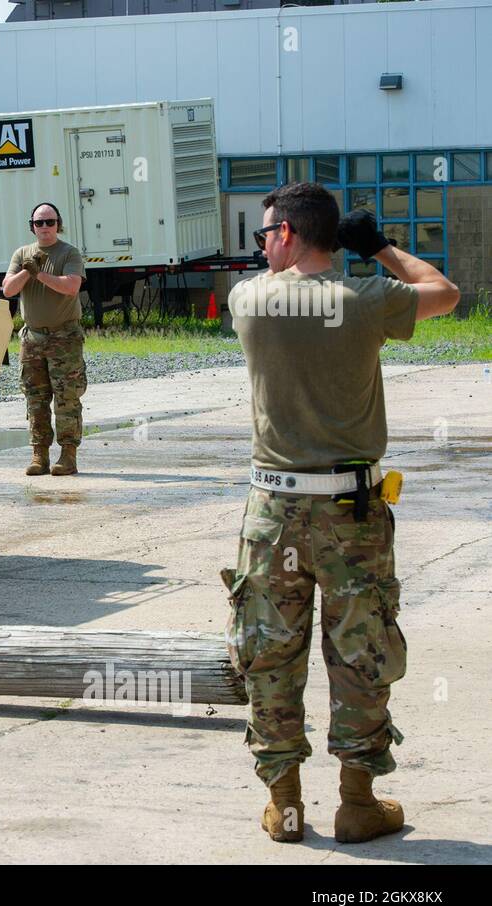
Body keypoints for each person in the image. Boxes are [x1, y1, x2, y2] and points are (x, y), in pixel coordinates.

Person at [225, 182, 460, 844]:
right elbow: (444, 292)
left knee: (270, 653)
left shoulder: (249, 301)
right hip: (353, 512)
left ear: (291, 234)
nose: (261, 246)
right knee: (361, 652)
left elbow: (272, 282)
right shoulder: (367, 301)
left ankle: (286, 804)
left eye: (266, 234)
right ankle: (358, 800)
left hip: (273, 512)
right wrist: (380, 247)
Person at [2, 203, 87, 476]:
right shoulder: (22, 254)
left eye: (50, 222)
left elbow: (71, 287)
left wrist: (40, 273)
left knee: (67, 398)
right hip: (33, 339)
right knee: (35, 399)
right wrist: (28, 271)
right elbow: (8, 290)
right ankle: (39, 455)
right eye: (39, 223)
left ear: (58, 224)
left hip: (64, 337)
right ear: (32, 226)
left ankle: (68, 455)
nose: (45, 228)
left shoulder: (69, 253)